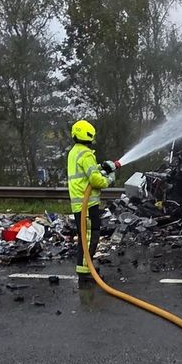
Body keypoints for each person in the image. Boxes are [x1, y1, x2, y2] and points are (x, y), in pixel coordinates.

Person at [68, 120, 114, 281]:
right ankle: (86, 272)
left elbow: (88, 172)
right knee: (90, 235)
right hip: (87, 204)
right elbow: (94, 180)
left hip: (78, 203)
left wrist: (102, 167)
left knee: (84, 236)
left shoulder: (74, 152)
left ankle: (85, 268)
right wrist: (109, 179)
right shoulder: (86, 154)